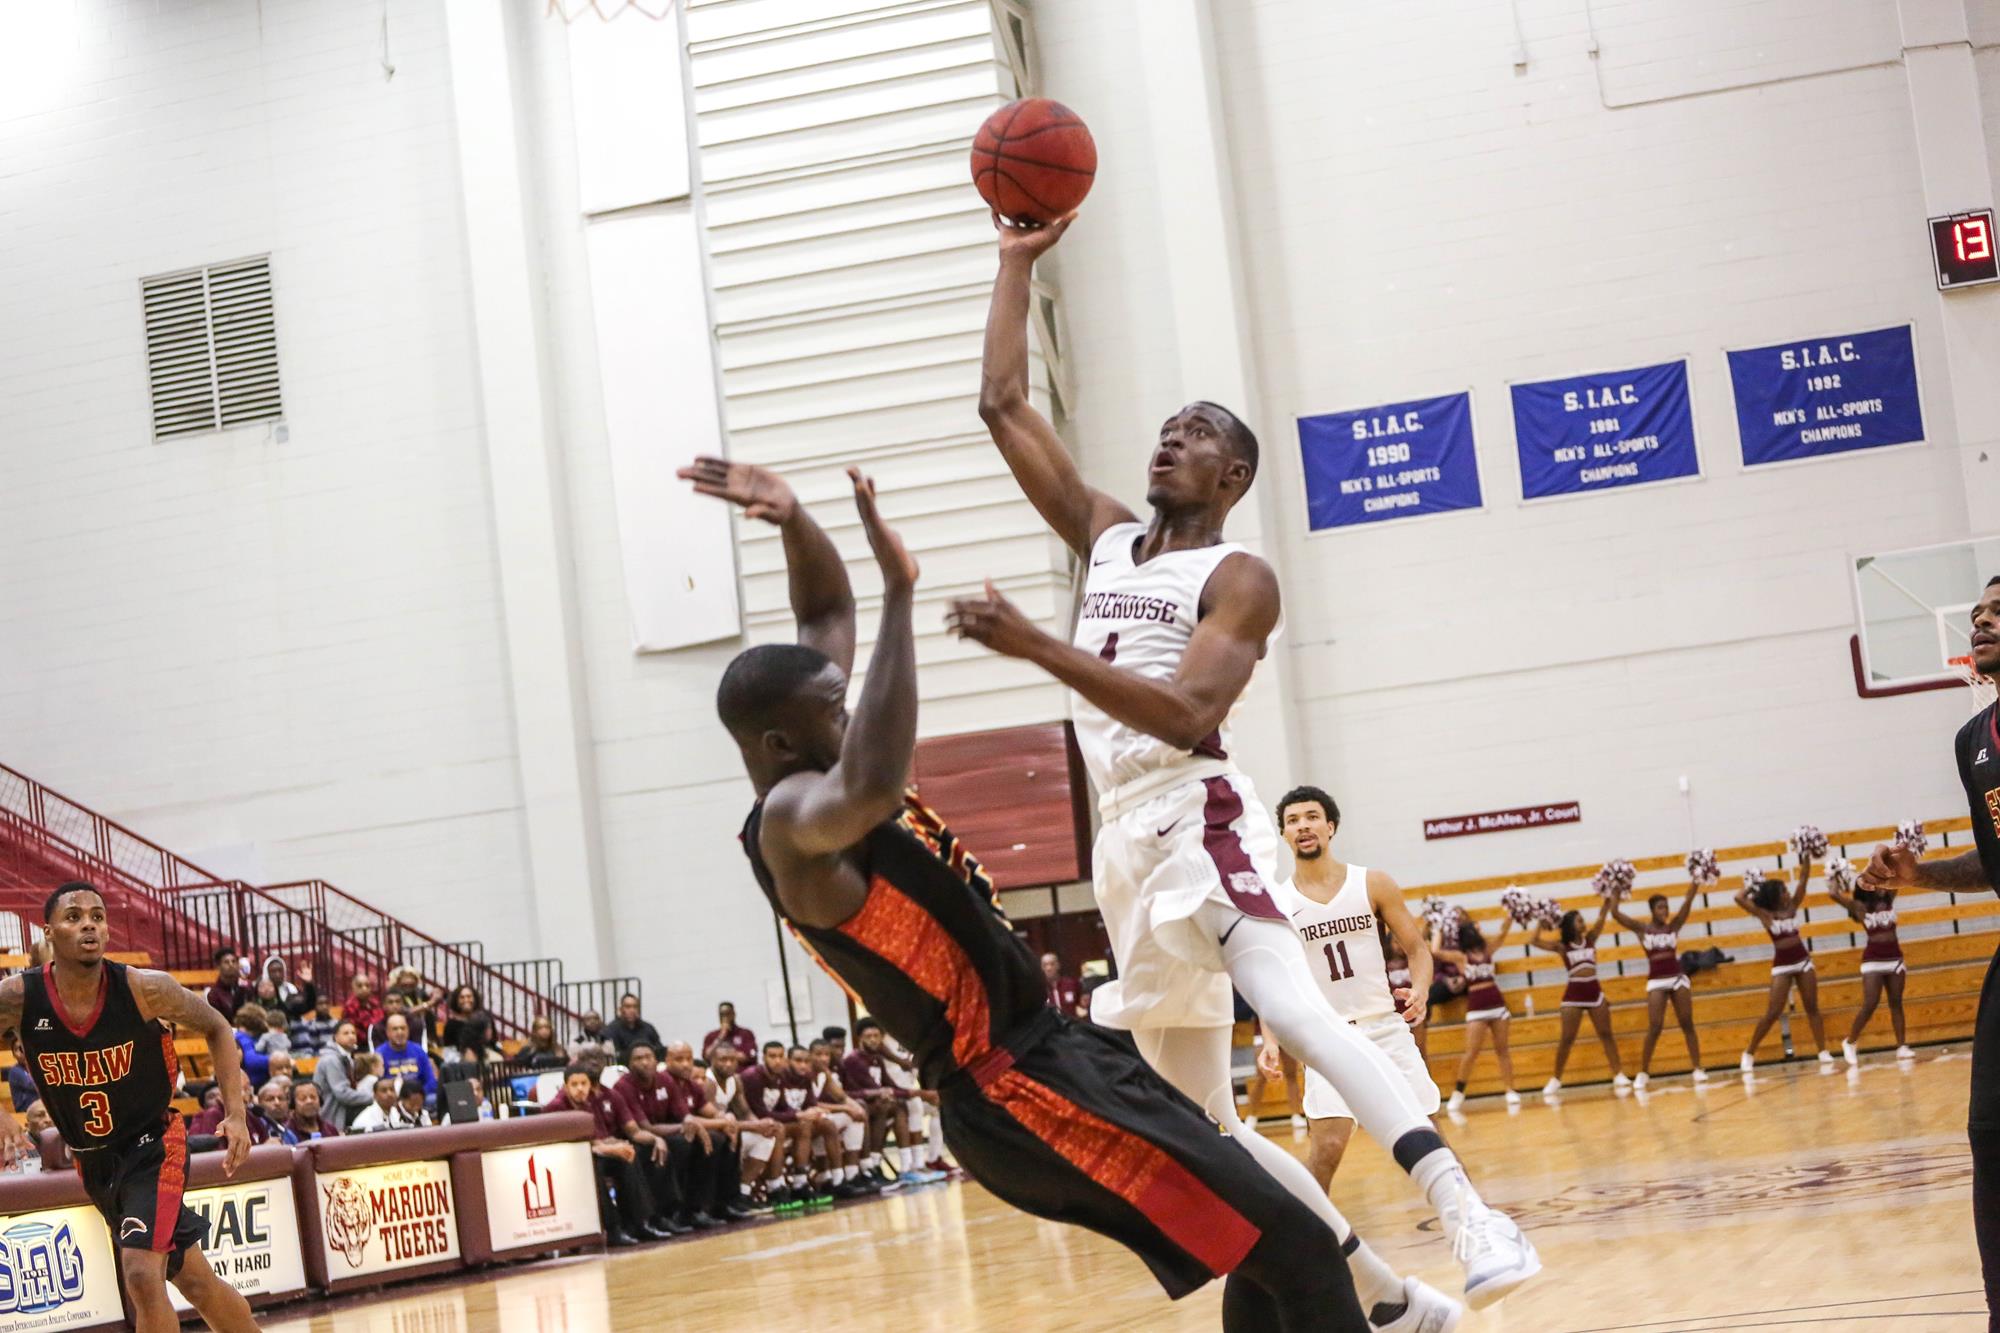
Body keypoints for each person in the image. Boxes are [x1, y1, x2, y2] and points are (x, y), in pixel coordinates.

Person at [687, 460, 1447, 1331]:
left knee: (1279, 1240)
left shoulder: (805, 744)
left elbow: (825, 614)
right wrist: (902, 594)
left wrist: (792, 521)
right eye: (836, 708)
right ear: (781, 739)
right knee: (1300, 1251)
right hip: (1016, 1090)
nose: (850, 710)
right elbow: (873, 779)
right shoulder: (794, 819)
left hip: (1058, 1052)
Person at [954, 212, 1536, 1312]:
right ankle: (1385, 1292)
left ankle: (1469, 1212)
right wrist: (1015, 262)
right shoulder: (1109, 538)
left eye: (1193, 432)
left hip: (1196, 808)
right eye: (1163, 428)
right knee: (1200, 1128)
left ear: (1231, 472)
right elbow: (1000, 403)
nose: (1165, 440)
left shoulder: (1240, 572)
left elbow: (1183, 713)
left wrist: (1038, 646)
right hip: (1118, 841)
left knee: (1300, 1010)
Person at [0, 883, 259, 1333]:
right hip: (94, 1158)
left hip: (152, 1143)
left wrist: (236, 1115)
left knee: (141, 1272)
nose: (88, 925)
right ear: (48, 932)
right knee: (194, 1279)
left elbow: (217, 1026)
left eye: (98, 917)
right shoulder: (19, 997)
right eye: (74, 916)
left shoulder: (144, 989)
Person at [1859, 578, 2000, 1323]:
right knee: (1989, 1129)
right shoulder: (1972, 741)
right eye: (1978, 611)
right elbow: (1994, 859)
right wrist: (1920, 874)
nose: (1982, 619)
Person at [1259, 786, 1444, 1190]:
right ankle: (1314, 1241)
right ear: (1284, 835)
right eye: (1292, 821)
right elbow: (1271, 979)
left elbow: (1416, 949)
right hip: (1326, 1035)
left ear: (1331, 826)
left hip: (1383, 1027)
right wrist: (1270, 1040)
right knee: (1326, 1149)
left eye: (1311, 817)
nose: (1302, 826)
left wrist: (1421, 990)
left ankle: (1473, 1221)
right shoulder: (1276, 900)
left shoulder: (1372, 882)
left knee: (1430, 1138)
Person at [545, 1063, 671, 1246]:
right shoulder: (556, 1107)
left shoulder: (589, 1103)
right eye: (574, 1084)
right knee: (593, 1167)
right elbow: (574, 1144)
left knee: (627, 1158)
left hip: (591, 1152)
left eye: (584, 1083)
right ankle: (613, 1228)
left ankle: (638, 1223)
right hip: (566, 1159)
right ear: (565, 1087)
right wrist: (608, 1147)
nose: (580, 1089)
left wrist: (613, 1145)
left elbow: (596, 1139)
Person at [610, 1041, 718, 1233]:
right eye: (638, 1058)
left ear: (656, 1060)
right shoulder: (623, 1086)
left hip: (664, 1133)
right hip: (638, 1139)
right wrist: (685, 1126)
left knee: (711, 1140)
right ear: (629, 1064)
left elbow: (683, 1113)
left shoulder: (665, 1080)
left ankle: (697, 1208)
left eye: (648, 1057)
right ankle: (663, 1214)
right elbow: (645, 1127)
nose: (644, 1062)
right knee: (668, 1149)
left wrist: (694, 1124)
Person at [1736, 864, 1832, 1071]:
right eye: (1784, 892)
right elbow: (1738, 898)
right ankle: (1749, 1052)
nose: (1788, 894)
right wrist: (1754, 885)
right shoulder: (1765, 915)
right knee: (1773, 1012)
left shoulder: (1792, 909)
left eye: (1787, 891)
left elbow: (1803, 881)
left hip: (1802, 961)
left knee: (1812, 1007)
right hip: (1782, 965)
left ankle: (1822, 1051)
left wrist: (1805, 855)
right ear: (1774, 896)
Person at [1609, 881, 1706, 1088]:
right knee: (1655, 1026)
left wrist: (1697, 881)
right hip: (1656, 981)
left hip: (1677, 977)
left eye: (1666, 907)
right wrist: (1616, 892)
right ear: (1652, 910)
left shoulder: (1674, 926)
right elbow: (1616, 914)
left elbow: (1687, 902)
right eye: (1660, 907)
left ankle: (1697, 1068)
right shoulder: (1642, 929)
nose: (1665, 911)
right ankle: (1643, 1072)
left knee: (1687, 1022)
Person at [1530, 902, 1629, 1095]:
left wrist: (1608, 901)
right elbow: (1533, 941)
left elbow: (1601, 917)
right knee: (1567, 1039)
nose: (1583, 922)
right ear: (1570, 925)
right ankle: (1556, 1079)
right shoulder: (1562, 947)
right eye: (1579, 920)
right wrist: (1540, 922)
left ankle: (1618, 1074)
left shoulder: (1591, 938)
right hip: (1574, 994)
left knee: (1606, 1034)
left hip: (1594, 991)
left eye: (1583, 920)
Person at [1432, 919, 1518, 1112]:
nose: (1472, 933)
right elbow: (1435, 952)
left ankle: (1510, 1090)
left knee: (1502, 1050)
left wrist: (1510, 915)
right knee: (1471, 1053)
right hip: (1477, 1009)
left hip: (1498, 1006)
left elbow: (1503, 933)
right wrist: (1438, 928)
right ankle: (1458, 1093)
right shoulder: (1461, 957)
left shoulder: (1488, 950)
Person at [1827, 876, 1914, 1064]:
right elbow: (1833, 894)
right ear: (1868, 888)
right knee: (1870, 1003)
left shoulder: (1889, 899)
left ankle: (1902, 1046)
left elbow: (1899, 877)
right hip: (1873, 960)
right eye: (1877, 885)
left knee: (1896, 1002)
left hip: (1895, 958)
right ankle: (1850, 1042)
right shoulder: (1860, 907)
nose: (1882, 887)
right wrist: (1834, 873)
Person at [663, 1040, 752, 1220]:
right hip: (670, 1133)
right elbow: (687, 1118)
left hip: (688, 1132)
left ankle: (725, 1202)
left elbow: (708, 1110)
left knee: (728, 1135)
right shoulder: (666, 1081)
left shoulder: (691, 1085)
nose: (686, 1064)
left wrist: (726, 1118)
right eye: (679, 1059)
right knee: (709, 1140)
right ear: (667, 1060)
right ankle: (693, 1208)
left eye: (688, 1058)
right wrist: (722, 1123)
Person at [708, 1042, 783, 1215]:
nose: (728, 1064)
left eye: (732, 1059)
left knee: (766, 1137)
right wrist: (754, 1125)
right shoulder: (709, 1082)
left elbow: (745, 1112)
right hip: (713, 1133)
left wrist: (761, 1125)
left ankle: (743, 1192)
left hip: (731, 1130)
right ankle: (724, 1201)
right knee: (729, 1139)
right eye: (723, 1060)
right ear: (712, 1060)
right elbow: (714, 1121)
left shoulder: (735, 1080)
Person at [313, 1020, 373, 1131]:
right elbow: (343, 1094)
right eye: (346, 1033)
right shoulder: (331, 1059)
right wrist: (373, 1097)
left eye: (353, 1033)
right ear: (335, 1037)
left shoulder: (347, 1057)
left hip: (343, 1113)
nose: (351, 1036)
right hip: (331, 1117)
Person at [375, 1014, 439, 1107]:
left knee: (437, 1099)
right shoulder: (379, 1053)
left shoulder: (418, 1050)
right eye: (395, 1029)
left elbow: (431, 1081)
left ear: (408, 1030)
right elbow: (377, 1085)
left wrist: (418, 1095)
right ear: (387, 1032)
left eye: (403, 1028)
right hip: (392, 1100)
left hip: (420, 1097)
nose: (400, 1032)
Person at [440, 986, 500, 1064]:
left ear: (474, 998)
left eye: (469, 996)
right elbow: (449, 1052)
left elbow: (493, 1041)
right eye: (462, 997)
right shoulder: (451, 1025)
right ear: (456, 1001)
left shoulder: (485, 1019)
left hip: (488, 1059)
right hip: (461, 1064)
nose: (466, 1000)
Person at [603, 993, 663, 1063]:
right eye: (628, 1007)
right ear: (620, 1009)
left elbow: (659, 1050)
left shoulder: (648, 1028)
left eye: (635, 1007)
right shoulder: (611, 1030)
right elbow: (615, 1055)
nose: (632, 1010)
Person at [260, 956, 316, 1021]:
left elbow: (307, 1006)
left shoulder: (290, 989)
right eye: (273, 971)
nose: (277, 974)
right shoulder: (261, 990)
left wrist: (309, 984)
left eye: (280, 970)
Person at [204, 947, 248, 1019]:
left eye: (234, 961)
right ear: (218, 967)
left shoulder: (246, 986)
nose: (231, 965)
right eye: (226, 962)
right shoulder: (213, 995)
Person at [343, 973, 385, 1040]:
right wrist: (370, 1037)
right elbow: (352, 1029)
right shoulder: (350, 1007)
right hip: (363, 1043)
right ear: (353, 988)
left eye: (367, 986)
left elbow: (382, 1021)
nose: (364, 989)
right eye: (360, 986)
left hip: (380, 1038)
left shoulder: (375, 1003)